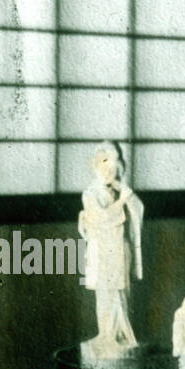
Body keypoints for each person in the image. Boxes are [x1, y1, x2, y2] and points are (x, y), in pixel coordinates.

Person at [79, 140, 144, 353]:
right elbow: (101, 218)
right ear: (95, 165)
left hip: (118, 249)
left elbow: (138, 209)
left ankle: (120, 334)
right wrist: (121, 202)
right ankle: (106, 334)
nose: (109, 171)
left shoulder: (118, 190)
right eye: (104, 165)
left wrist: (126, 194)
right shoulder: (90, 194)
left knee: (121, 293)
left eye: (113, 166)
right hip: (102, 250)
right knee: (105, 294)